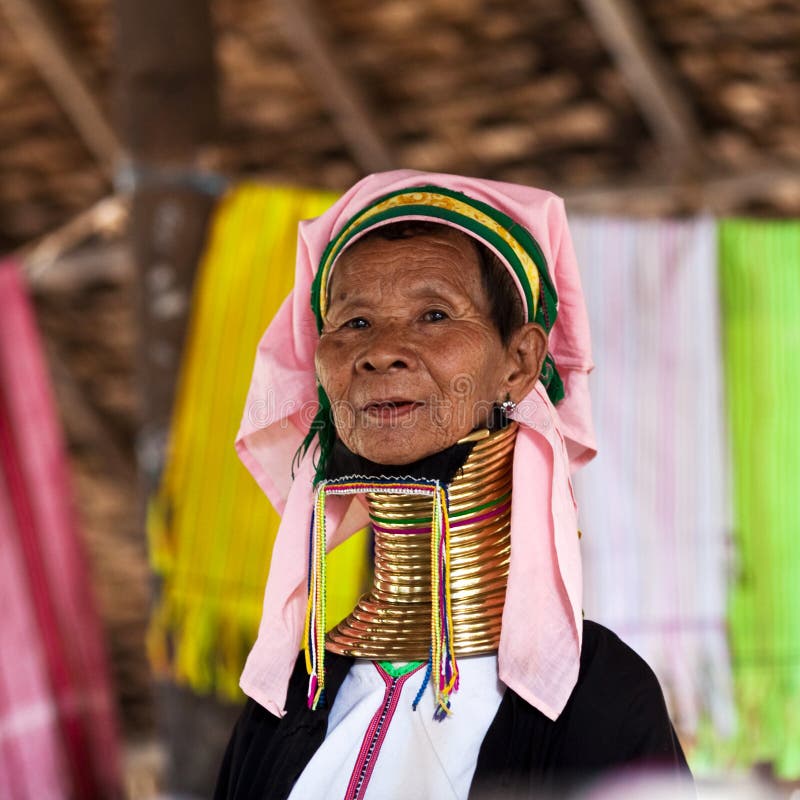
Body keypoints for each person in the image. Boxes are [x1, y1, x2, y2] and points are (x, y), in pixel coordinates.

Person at [214, 171, 691, 799]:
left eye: (434, 315)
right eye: (353, 323)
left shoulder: (594, 694)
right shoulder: (287, 699)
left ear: (518, 362)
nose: (382, 353)